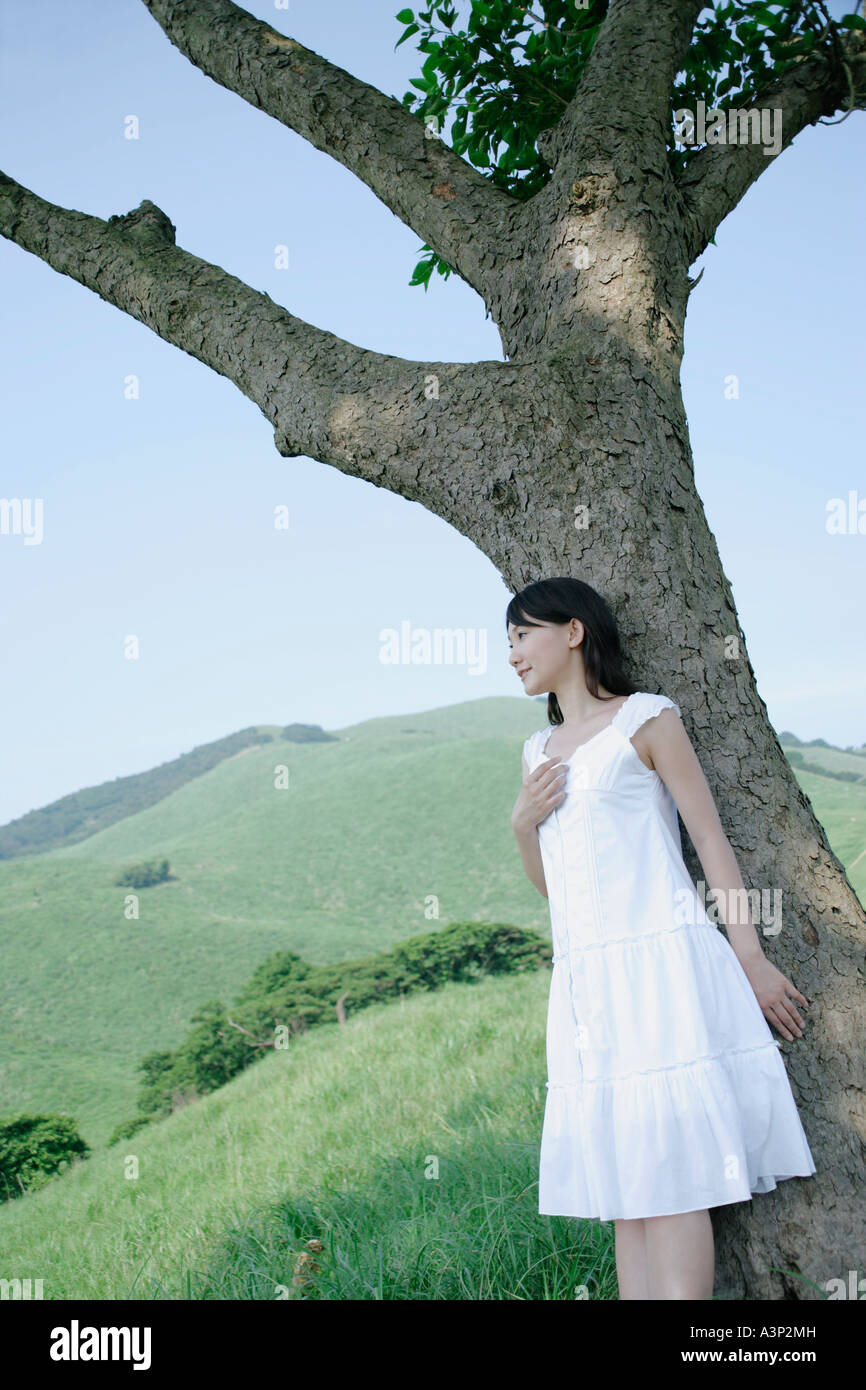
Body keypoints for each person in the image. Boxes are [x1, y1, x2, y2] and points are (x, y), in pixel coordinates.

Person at [506, 577, 816, 1300]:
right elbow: (557, 886)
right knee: (628, 1190)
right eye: (510, 641)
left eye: (523, 634)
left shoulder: (644, 720)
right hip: (588, 985)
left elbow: (708, 839)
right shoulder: (537, 751)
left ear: (573, 631)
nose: (513, 654)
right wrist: (522, 826)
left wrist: (752, 958)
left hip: (663, 966)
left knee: (672, 1175)